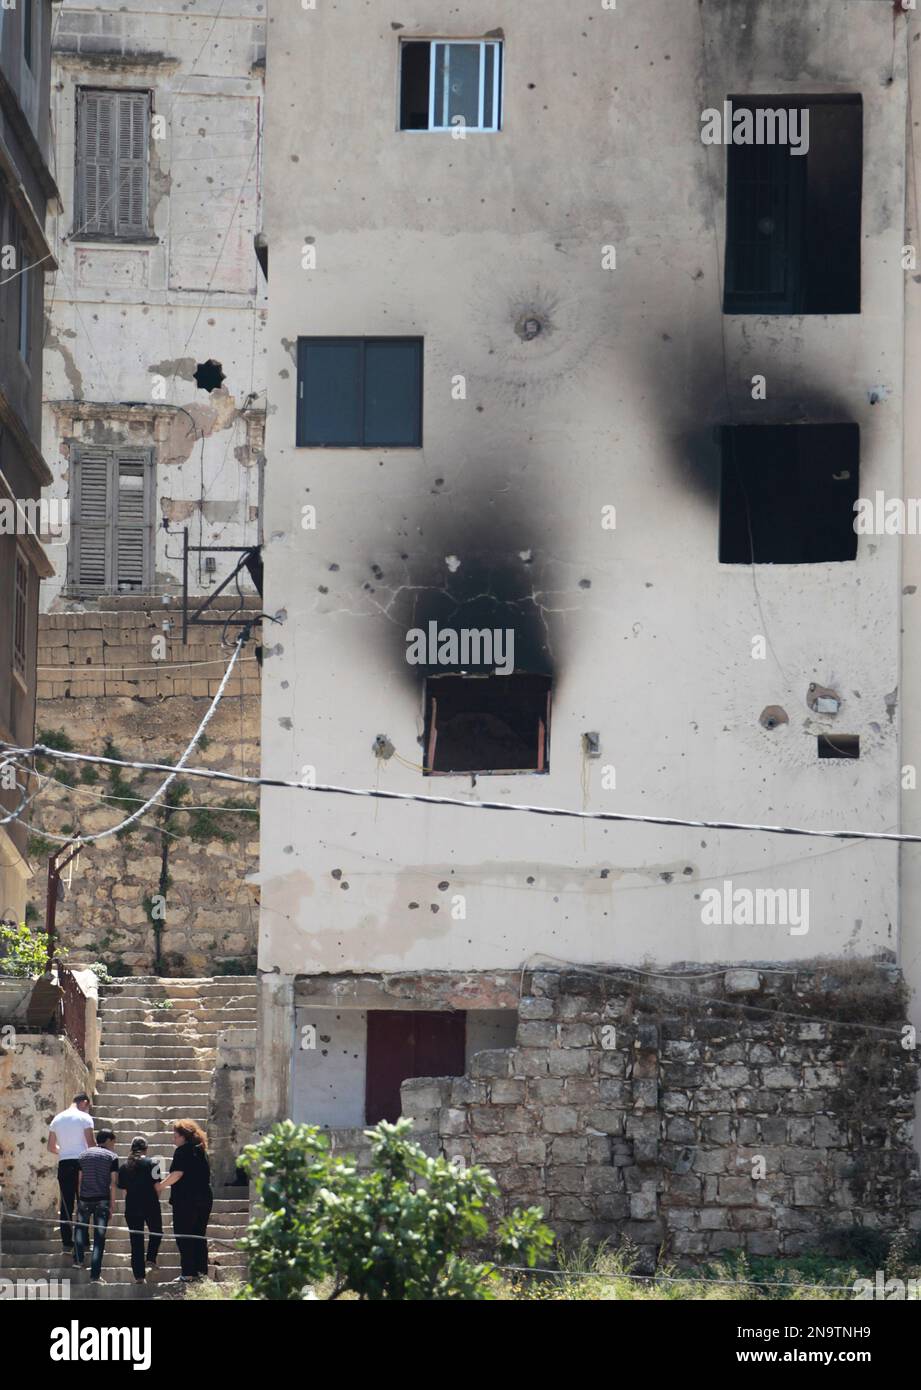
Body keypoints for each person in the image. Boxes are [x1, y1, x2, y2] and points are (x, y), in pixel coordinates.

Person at [156, 1119, 212, 1282]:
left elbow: (177, 1173)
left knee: (183, 1235)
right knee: (199, 1235)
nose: (174, 1139)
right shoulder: (200, 1150)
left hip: (186, 1200)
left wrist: (160, 1186)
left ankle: (188, 1272)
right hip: (204, 1198)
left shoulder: (182, 1151)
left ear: (183, 1136)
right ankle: (201, 1273)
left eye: (175, 1136)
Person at [48, 1092, 94, 1254]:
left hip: (64, 1163)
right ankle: (85, 1243)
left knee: (66, 1204)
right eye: (89, 1107)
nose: (88, 1110)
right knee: (84, 1203)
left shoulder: (57, 1119)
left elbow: (51, 1147)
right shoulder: (84, 1118)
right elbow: (91, 1144)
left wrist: (65, 1150)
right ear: (84, 1103)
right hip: (82, 1163)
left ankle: (67, 1243)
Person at [74, 1128, 119, 1283]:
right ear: (107, 1140)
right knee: (99, 1238)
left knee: (80, 1229)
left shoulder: (83, 1155)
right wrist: (112, 1205)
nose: (114, 1146)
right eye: (113, 1142)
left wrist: (79, 1200)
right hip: (102, 1200)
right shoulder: (112, 1157)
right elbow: (113, 1183)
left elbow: (79, 1180)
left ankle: (78, 1261)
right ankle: (94, 1275)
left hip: (85, 1198)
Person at [118, 1136, 163, 1284]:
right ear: (146, 1149)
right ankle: (150, 1258)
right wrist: (154, 1199)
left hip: (132, 1206)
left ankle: (139, 1276)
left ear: (132, 1148)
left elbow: (124, 1191)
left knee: (136, 1241)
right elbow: (157, 1187)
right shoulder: (154, 1163)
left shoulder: (124, 1166)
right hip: (150, 1204)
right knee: (156, 1231)